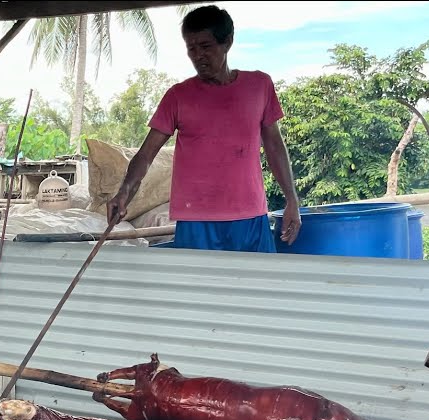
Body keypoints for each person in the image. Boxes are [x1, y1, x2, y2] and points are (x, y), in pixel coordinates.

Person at [107, 4, 302, 253]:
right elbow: (145, 156)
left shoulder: (259, 85)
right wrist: (124, 194)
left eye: (206, 46)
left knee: (256, 288)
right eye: (191, 48)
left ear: (228, 42)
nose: (198, 55)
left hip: (249, 216)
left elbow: (274, 146)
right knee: (197, 290)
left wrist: (292, 201)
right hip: (196, 220)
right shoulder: (177, 97)